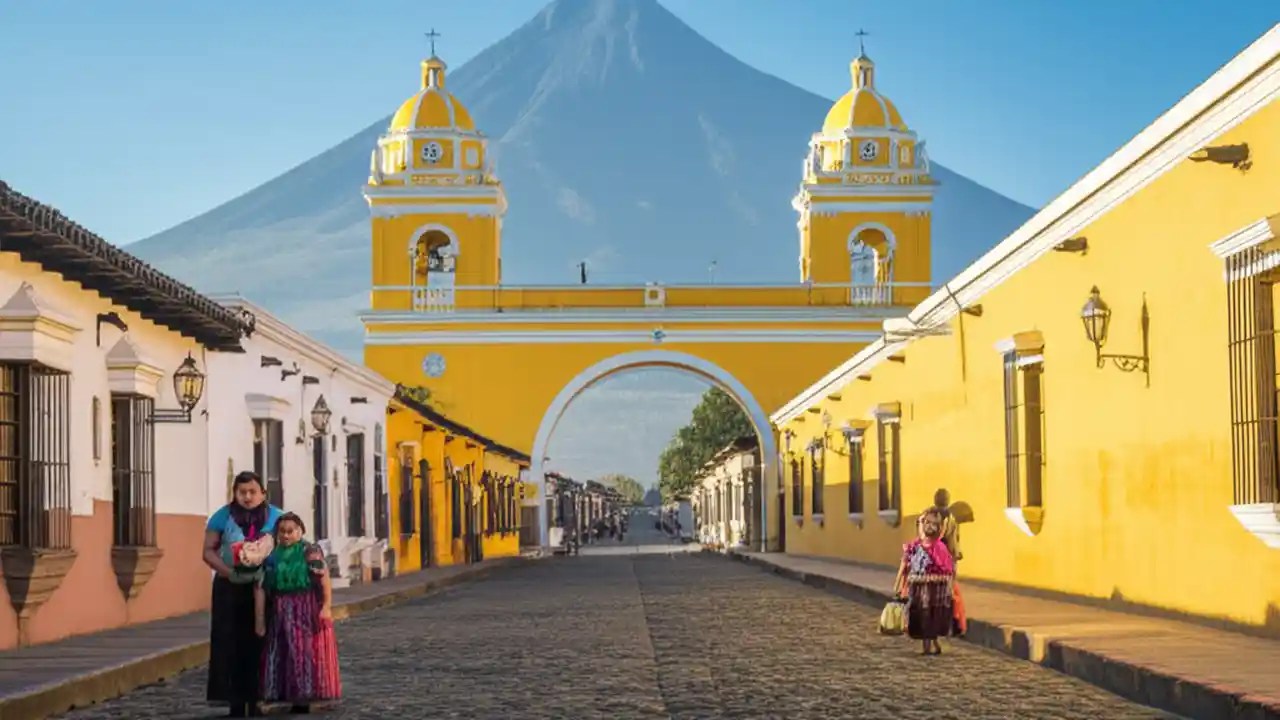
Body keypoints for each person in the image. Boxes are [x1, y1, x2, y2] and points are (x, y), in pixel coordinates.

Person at [204, 471, 283, 717]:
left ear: (263, 493)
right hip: (230, 588)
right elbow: (208, 551)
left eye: (252, 492)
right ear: (235, 493)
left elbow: (292, 547)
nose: (247, 497)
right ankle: (235, 700)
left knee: (262, 641)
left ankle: (259, 697)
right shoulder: (222, 516)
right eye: (242, 492)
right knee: (231, 643)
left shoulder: (278, 517)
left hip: (265, 586)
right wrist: (228, 572)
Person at [255, 513, 341, 713]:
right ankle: (280, 692)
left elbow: (323, 577)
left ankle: (304, 694)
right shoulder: (272, 556)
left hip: (305, 605)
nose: (286, 535)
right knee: (280, 650)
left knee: (303, 650)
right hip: (280, 607)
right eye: (282, 531)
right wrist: (259, 619)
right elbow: (260, 587)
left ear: (300, 531)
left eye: (290, 531)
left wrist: (326, 606)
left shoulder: (309, 551)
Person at [893, 508, 955, 655]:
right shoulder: (914, 545)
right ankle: (930, 643)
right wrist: (898, 582)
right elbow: (905, 562)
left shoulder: (939, 547)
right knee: (920, 614)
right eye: (924, 522)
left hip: (934, 588)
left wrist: (948, 585)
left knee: (930, 614)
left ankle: (929, 646)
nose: (927, 526)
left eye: (932, 523)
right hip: (918, 587)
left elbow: (948, 569)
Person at [931, 488, 967, 636]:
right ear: (947, 500)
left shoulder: (927, 515)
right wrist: (956, 554)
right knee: (949, 593)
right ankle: (954, 625)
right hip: (945, 561)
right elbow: (952, 542)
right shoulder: (950, 518)